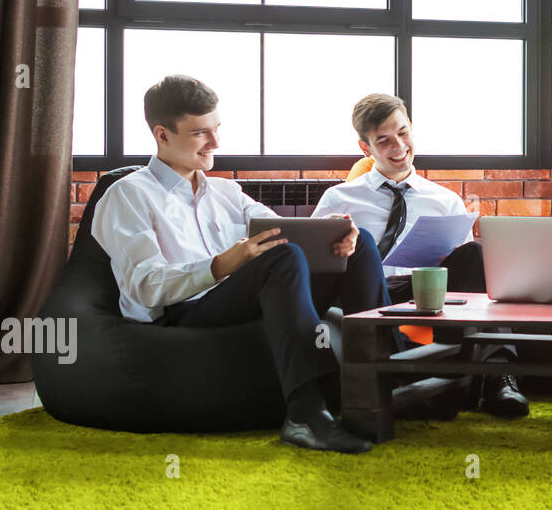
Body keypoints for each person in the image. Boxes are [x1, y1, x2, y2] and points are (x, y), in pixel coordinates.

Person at [92, 75, 383, 454]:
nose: (216, 144)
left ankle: (379, 384)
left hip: (241, 299)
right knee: (282, 256)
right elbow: (144, 286)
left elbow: (290, 234)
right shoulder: (128, 195)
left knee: (358, 244)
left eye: (216, 129)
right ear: (162, 135)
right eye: (200, 134)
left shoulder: (226, 193)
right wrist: (222, 264)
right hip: (182, 311)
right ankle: (305, 415)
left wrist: (335, 235)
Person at [311, 93, 528, 418]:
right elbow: (312, 265)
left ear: (411, 128)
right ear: (365, 148)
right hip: (368, 293)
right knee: (365, 247)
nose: (398, 146)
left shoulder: (444, 200)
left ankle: (498, 378)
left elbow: (469, 280)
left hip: (424, 292)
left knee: (475, 254)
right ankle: (427, 383)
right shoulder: (339, 198)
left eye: (402, 133)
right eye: (383, 140)